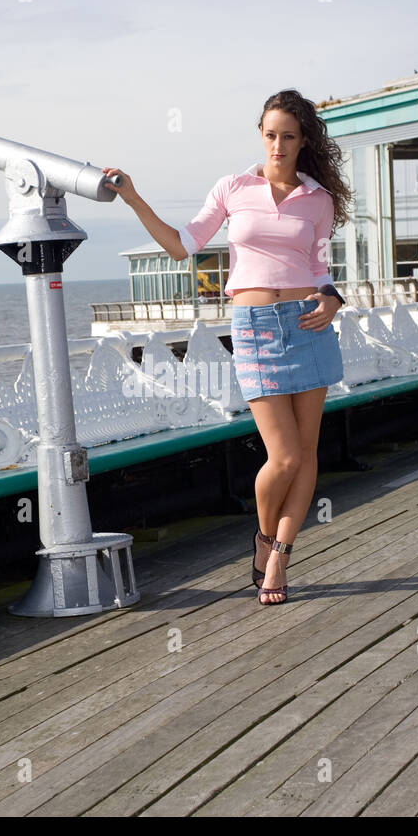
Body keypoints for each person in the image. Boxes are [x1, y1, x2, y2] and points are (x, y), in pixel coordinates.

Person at [102, 89, 353, 605]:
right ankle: (264, 536)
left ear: (304, 140)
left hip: (308, 324)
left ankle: (280, 555)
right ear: (260, 136)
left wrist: (332, 299)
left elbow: (323, 269)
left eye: (288, 136)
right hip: (255, 326)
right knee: (282, 457)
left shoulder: (318, 200)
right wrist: (132, 196)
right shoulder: (232, 188)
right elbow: (181, 245)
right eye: (270, 135)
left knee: (306, 455)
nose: (278, 146)